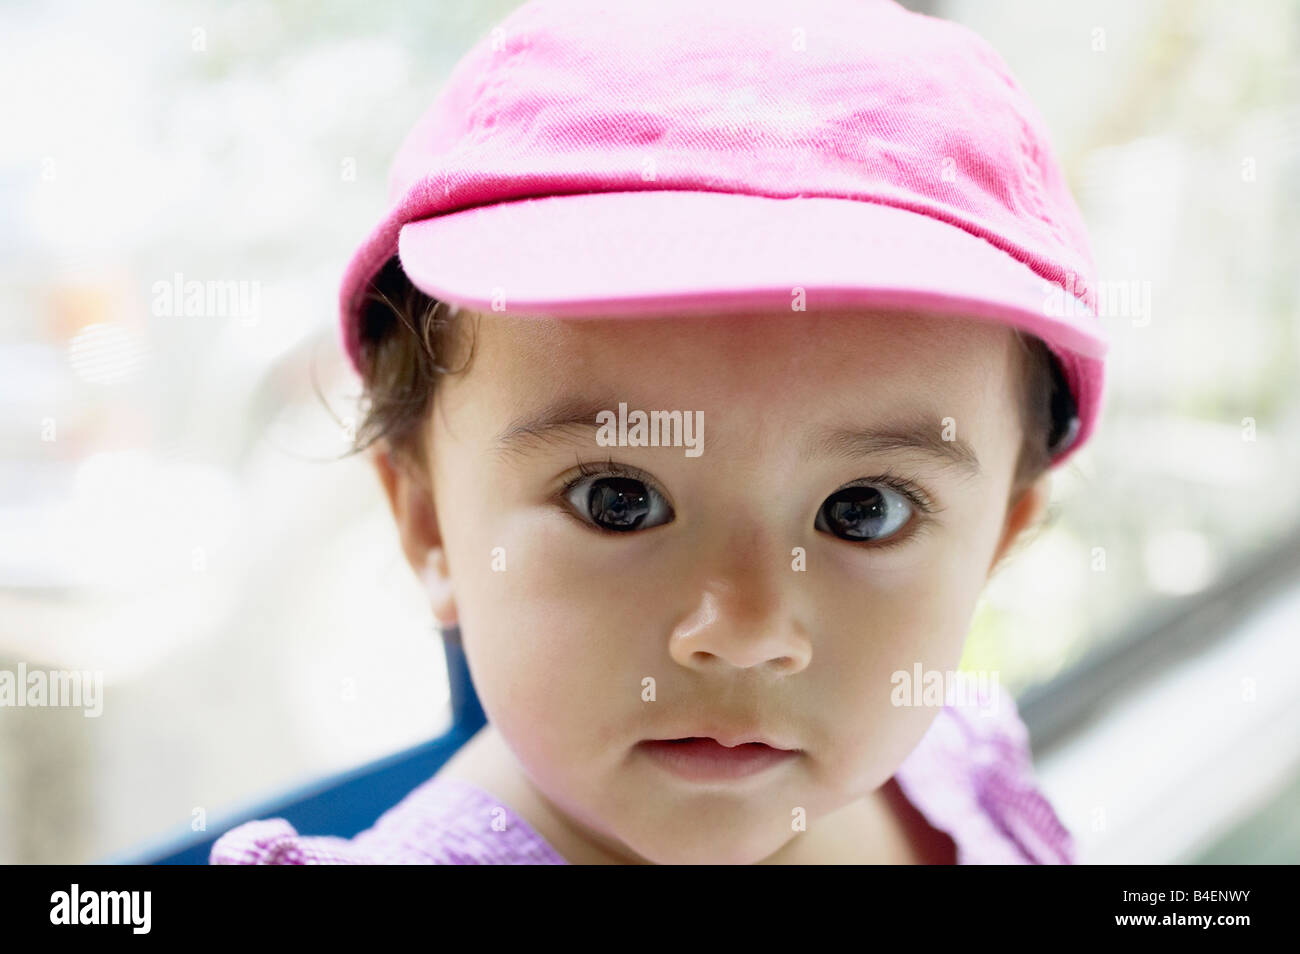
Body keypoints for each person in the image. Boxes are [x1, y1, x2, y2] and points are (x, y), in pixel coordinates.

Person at [212, 0, 1108, 865]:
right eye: (619, 500)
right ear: (431, 526)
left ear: (998, 538)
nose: (744, 630)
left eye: (863, 510)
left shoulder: (953, 780)